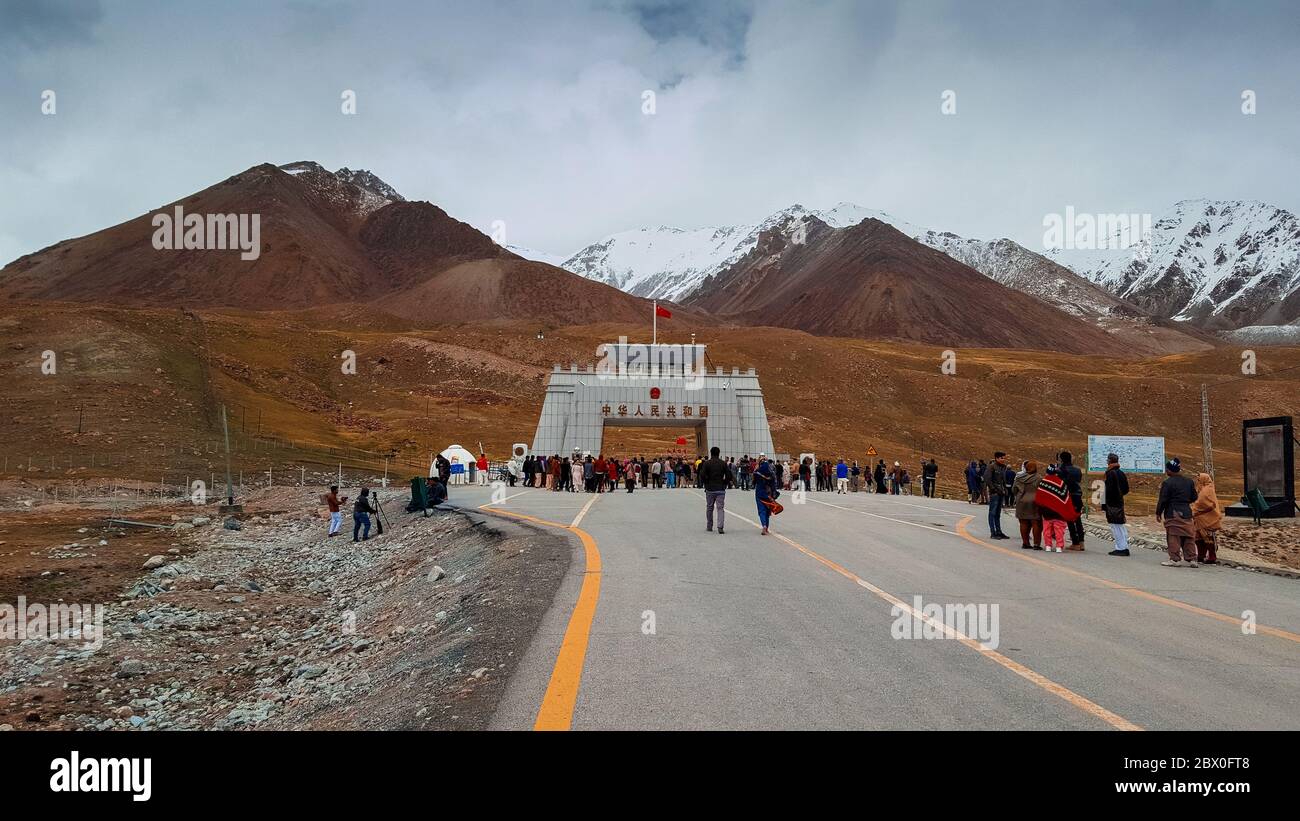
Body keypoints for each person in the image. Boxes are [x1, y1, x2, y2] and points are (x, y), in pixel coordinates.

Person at [1155, 458, 1199, 567]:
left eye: (1167, 469)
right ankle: (1192, 559)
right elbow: (1194, 497)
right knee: (1188, 535)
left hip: (1172, 512)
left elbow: (1163, 499)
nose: (1166, 471)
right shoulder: (1189, 481)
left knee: (1173, 535)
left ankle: (1175, 559)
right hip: (1187, 512)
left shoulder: (1167, 483)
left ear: (1170, 470)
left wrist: (1158, 512)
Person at [699, 446, 731, 533]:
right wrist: (724, 483)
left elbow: (702, 474)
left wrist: (706, 482)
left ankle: (709, 526)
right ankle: (720, 526)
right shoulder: (723, 463)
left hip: (710, 488)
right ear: (719, 453)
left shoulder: (707, 463)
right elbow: (729, 475)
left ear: (711, 453)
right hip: (720, 488)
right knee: (720, 508)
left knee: (709, 507)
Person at [1103, 453, 1130, 556]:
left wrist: (1106, 502)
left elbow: (1108, 490)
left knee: (1115, 526)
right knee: (1120, 525)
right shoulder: (1121, 473)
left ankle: (1121, 548)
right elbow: (1126, 489)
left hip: (1112, 503)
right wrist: (1120, 494)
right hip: (1119, 502)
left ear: (1110, 461)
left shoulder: (1110, 473)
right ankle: (1124, 546)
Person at [1058, 451, 1085, 550]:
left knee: (1070, 519)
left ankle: (1075, 542)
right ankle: (1081, 542)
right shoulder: (1077, 470)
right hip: (1078, 496)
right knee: (1078, 519)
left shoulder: (1061, 470)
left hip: (1068, 497)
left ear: (1061, 459)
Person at [1012, 461, 1042, 549]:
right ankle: (1036, 544)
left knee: (1023, 523)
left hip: (1021, 502)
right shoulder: (1039, 478)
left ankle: (1025, 543)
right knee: (1036, 523)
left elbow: (1014, 490)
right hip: (1034, 503)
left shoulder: (1018, 478)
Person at [1193, 472, 1222, 564]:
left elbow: (1203, 502)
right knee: (1199, 538)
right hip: (1202, 518)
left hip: (1207, 518)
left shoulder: (1206, 491)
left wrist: (1195, 509)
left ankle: (1211, 557)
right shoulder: (1206, 489)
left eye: (1199, 479)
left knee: (1207, 538)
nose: (1197, 481)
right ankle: (1201, 556)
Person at [1039, 466, 1067, 552]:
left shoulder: (1043, 483)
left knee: (1047, 530)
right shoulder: (1062, 483)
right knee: (1059, 530)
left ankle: (1048, 546)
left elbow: (1040, 497)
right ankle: (1059, 546)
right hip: (1059, 512)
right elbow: (1065, 498)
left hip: (1047, 511)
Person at [983, 452, 1010, 539]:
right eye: (1001, 458)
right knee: (992, 513)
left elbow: (1003, 480)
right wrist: (993, 489)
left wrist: (1005, 490)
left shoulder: (1003, 467)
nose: (1003, 459)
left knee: (998, 513)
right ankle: (993, 532)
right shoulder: (991, 467)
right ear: (996, 458)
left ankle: (999, 531)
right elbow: (987, 478)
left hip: (1001, 492)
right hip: (995, 493)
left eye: (1004, 458)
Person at [753, 453, 776, 536]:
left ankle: (764, 526)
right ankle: (767, 527)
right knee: (767, 510)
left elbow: (753, 482)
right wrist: (773, 495)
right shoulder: (771, 473)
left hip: (759, 492)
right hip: (768, 493)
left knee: (761, 510)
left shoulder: (757, 472)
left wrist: (756, 466)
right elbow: (774, 484)